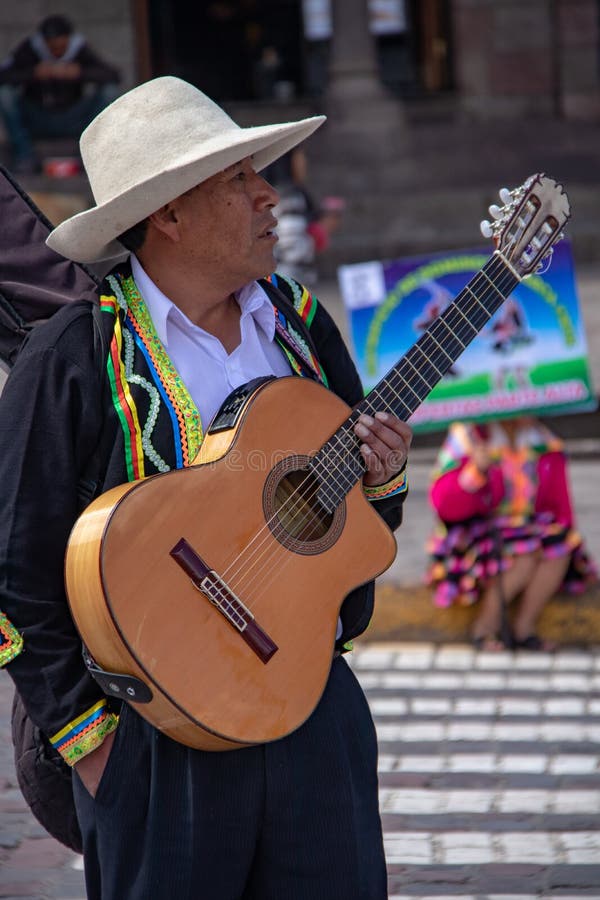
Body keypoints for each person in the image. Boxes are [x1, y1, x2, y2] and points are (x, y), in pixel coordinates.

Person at [0, 75, 412, 899]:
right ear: (170, 215)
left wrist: (386, 474)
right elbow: (12, 573)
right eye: (239, 180)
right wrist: (95, 749)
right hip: (156, 742)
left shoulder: (299, 323)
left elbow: (352, 524)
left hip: (311, 715)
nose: (271, 198)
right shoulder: (76, 357)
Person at [425, 416, 598, 651]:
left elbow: (559, 505)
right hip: (477, 528)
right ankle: (485, 625)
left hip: (527, 527)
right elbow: (445, 506)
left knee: (560, 546)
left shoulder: (545, 442)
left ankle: (524, 628)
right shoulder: (470, 438)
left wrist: (563, 532)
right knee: (525, 555)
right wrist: (475, 470)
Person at [0, 14, 120, 174]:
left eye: (62, 47)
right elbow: (4, 75)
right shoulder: (30, 49)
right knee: (5, 94)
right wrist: (33, 74)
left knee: (109, 92)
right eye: (52, 48)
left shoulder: (79, 49)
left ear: (69, 41)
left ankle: (87, 155)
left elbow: (114, 75)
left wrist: (80, 72)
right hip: (37, 118)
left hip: (73, 119)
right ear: (44, 43)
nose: (57, 52)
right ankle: (25, 156)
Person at [269, 146, 345, 286]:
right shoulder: (289, 199)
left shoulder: (294, 195)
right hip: (290, 280)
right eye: (301, 158)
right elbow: (291, 248)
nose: (304, 164)